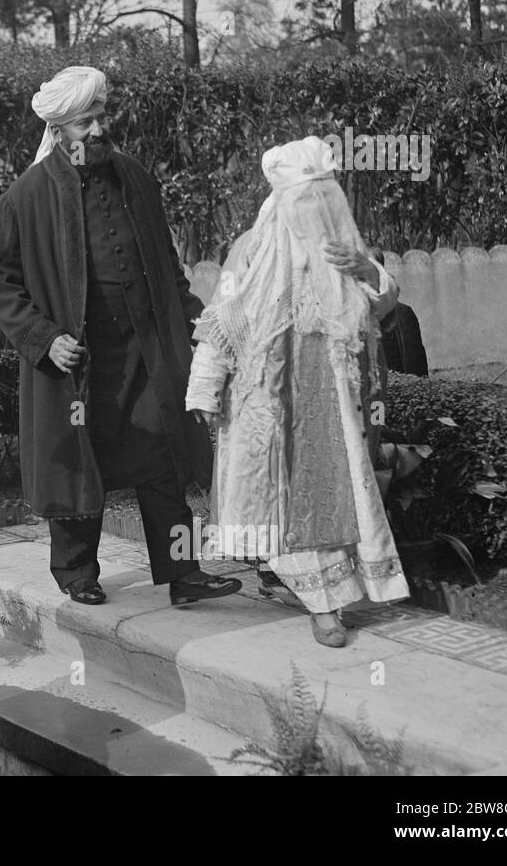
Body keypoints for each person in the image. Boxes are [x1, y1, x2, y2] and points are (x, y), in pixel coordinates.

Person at [0, 65, 236, 608]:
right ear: (57, 131)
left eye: (100, 119)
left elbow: (167, 265)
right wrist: (44, 338)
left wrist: (196, 321)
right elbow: (0, 283)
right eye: (84, 124)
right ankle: (76, 573)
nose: (97, 131)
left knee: (164, 458)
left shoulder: (135, 177)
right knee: (78, 460)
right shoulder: (24, 198)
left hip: (145, 353)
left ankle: (184, 573)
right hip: (76, 364)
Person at [185, 138, 409, 647]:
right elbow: (222, 322)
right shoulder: (252, 250)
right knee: (284, 502)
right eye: (306, 201)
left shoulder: (344, 250)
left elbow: (383, 307)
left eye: (324, 199)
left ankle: (331, 590)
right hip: (268, 401)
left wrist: (365, 270)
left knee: (335, 496)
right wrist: (204, 390)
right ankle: (322, 605)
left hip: (332, 402)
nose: (317, 210)